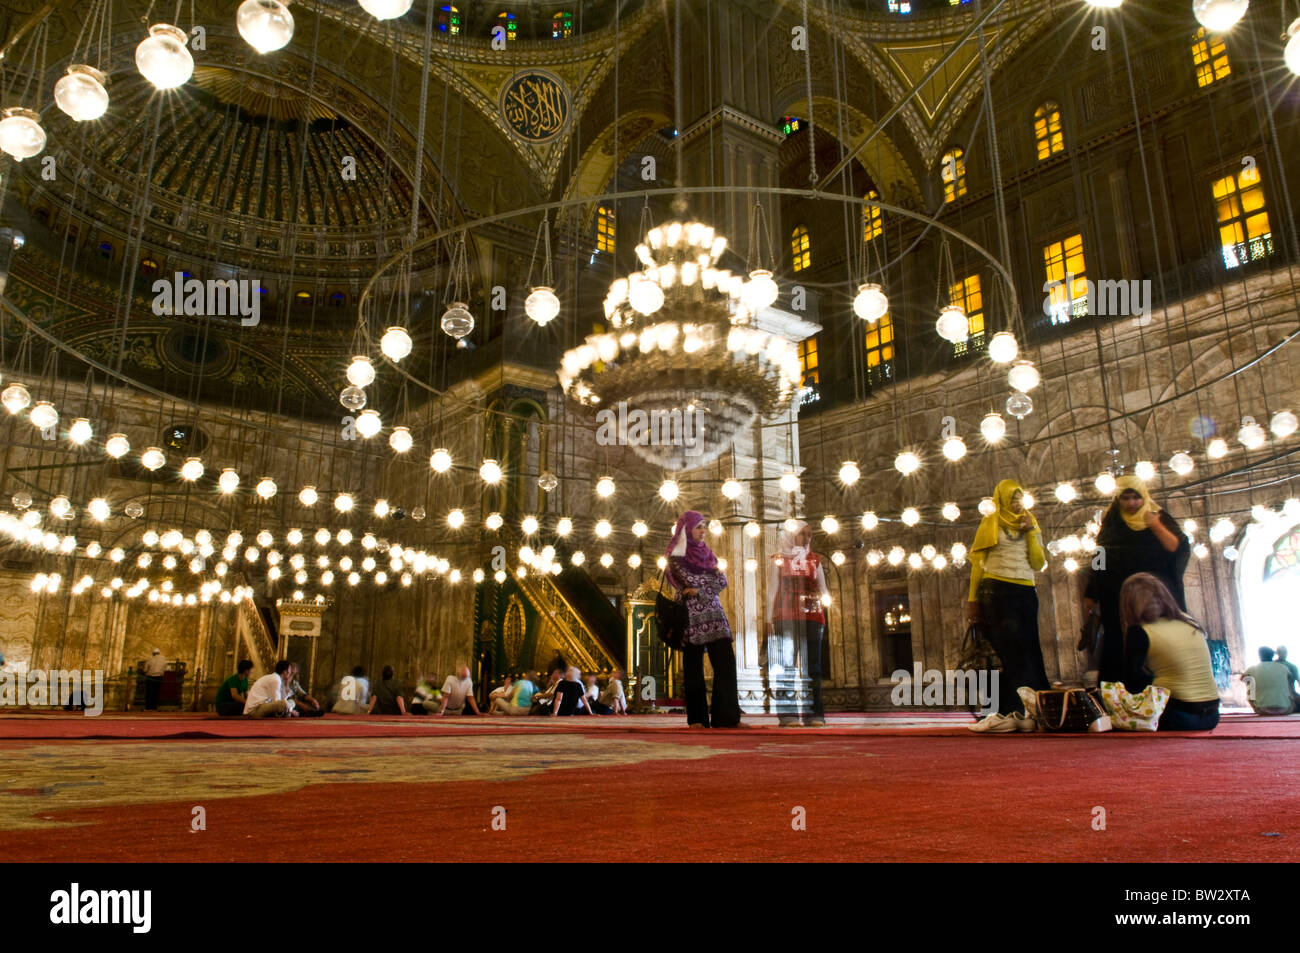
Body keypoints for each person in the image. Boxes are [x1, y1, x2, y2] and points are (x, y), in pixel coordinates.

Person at [1082, 475, 1190, 684]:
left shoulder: (1159, 517)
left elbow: (1178, 548)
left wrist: (1155, 526)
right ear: (1118, 499)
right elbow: (1100, 559)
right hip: (1120, 600)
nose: (1132, 503)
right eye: (1126, 498)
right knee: (1123, 649)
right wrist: (1091, 592)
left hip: (1155, 599)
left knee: (1157, 645)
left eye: (1136, 498)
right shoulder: (1112, 523)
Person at [965, 479, 1049, 733]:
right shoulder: (990, 523)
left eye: (1019, 498)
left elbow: (1037, 563)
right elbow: (977, 567)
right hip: (996, 592)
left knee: (1029, 650)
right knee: (1008, 651)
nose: (1016, 503)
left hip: (1025, 591)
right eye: (1012, 498)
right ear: (1001, 499)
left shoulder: (1030, 523)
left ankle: (1034, 709)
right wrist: (973, 602)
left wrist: (1030, 532)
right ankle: (1009, 710)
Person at [666, 510, 743, 729]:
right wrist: (702, 585)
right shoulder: (676, 557)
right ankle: (697, 719)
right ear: (687, 530)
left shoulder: (708, 554)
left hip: (716, 617)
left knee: (726, 664)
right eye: (698, 526)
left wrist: (698, 590)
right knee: (693, 668)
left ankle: (726, 718)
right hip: (691, 619)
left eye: (704, 526)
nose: (703, 531)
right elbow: (687, 579)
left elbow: (722, 581)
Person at [1118, 573, 1220, 731]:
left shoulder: (1140, 632)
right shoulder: (1188, 620)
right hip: (1213, 716)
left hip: (1178, 717)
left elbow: (1133, 685)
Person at [767, 520, 831, 726]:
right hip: (785, 614)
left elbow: (823, 589)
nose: (807, 538)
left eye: (809, 534)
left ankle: (815, 714)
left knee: (814, 666)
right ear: (792, 535)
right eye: (802, 534)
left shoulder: (815, 560)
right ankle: (788, 714)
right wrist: (769, 617)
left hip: (812, 615)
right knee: (786, 665)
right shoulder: (779, 560)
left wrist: (826, 607)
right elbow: (772, 589)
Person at [1242, 647, 1296, 716]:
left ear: (1259, 656)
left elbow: (1243, 679)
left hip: (1261, 709)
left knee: (1249, 680)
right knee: (1288, 684)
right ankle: (1283, 702)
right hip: (1285, 709)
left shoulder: (1252, 669)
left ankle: (1259, 703)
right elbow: (1291, 681)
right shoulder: (1283, 667)